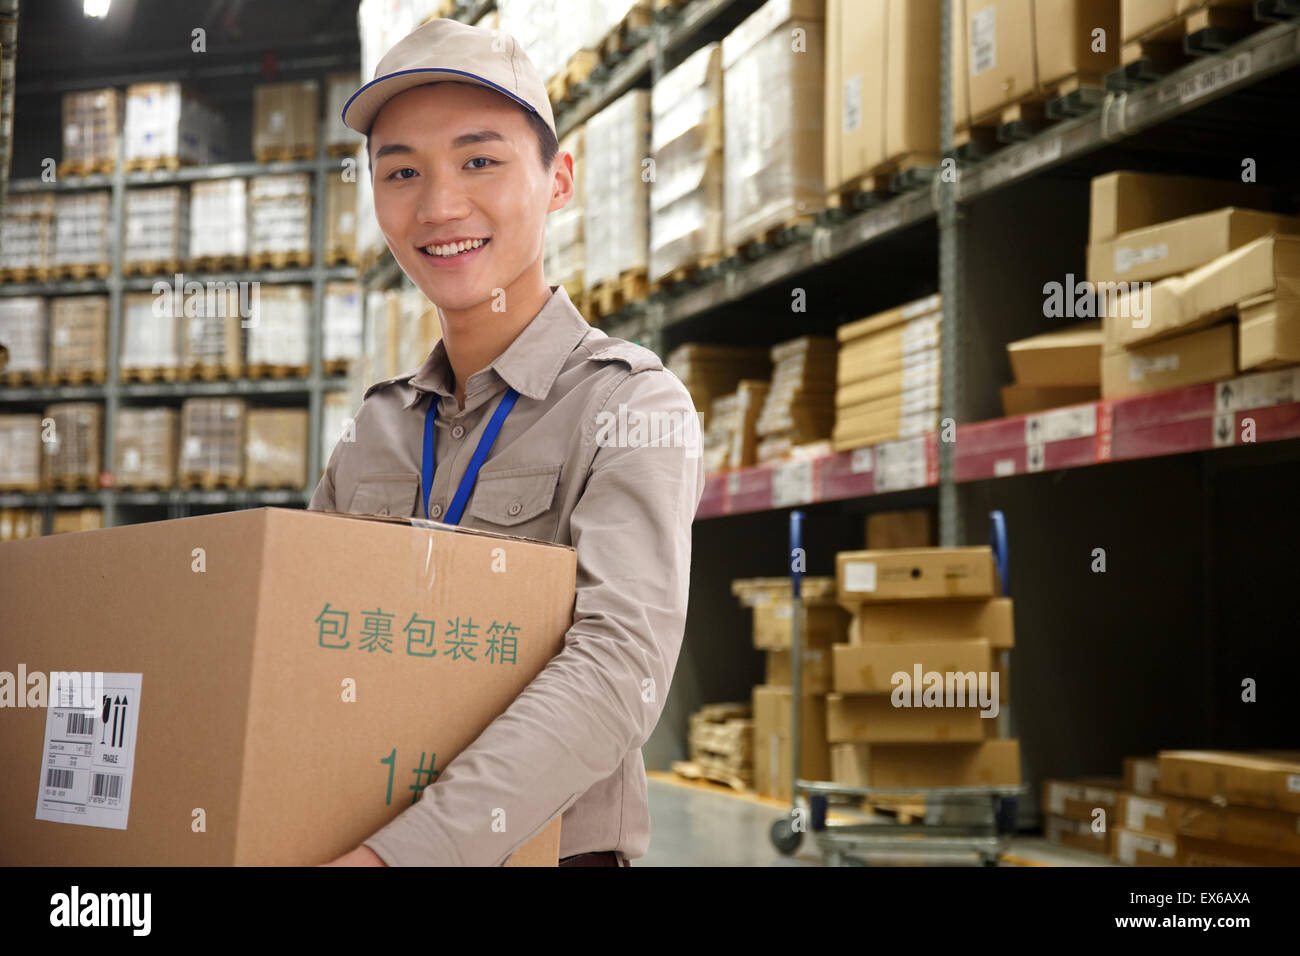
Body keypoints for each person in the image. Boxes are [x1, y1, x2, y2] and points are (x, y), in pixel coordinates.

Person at [311, 17, 704, 867]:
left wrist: (399, 860)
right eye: (402, 172)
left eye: (479, 160)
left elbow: (617, 673)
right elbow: (304, 651)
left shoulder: (632, 406)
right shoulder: (371, 434)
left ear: (558, 180)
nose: (440, 205)